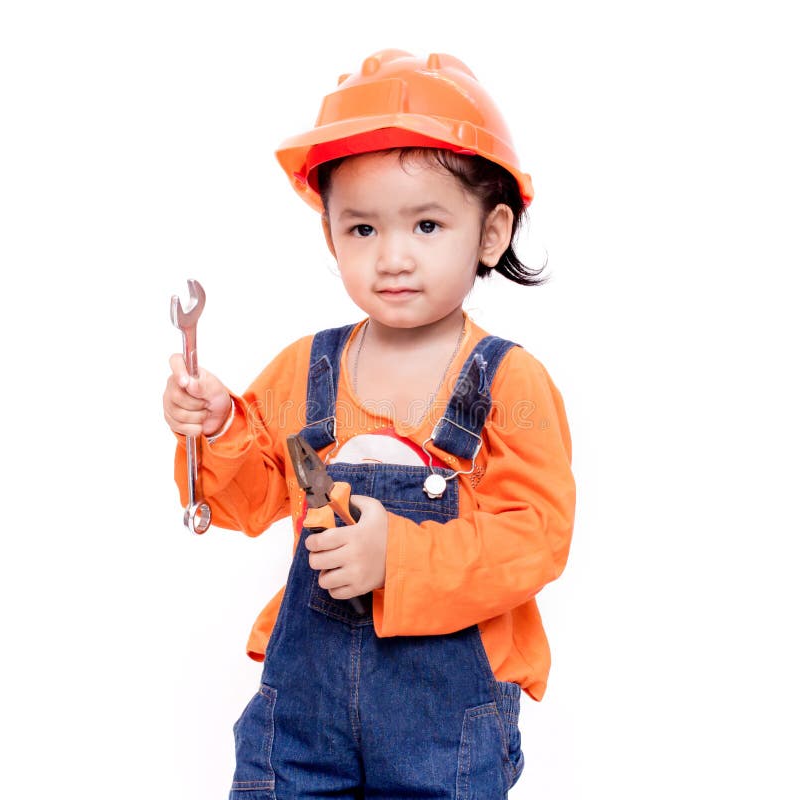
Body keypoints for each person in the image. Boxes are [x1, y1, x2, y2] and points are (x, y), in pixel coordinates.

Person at [163, 49, 576, 800]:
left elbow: (536, 536)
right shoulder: (305, 370)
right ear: (330, 234)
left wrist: (402, 558)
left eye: (426, 224)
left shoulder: (507, 382)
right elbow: (245, 499)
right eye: (361, 230)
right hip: (302, 729)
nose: (392, 257)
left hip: (442, 733)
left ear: (490, 233)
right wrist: (218, 429)